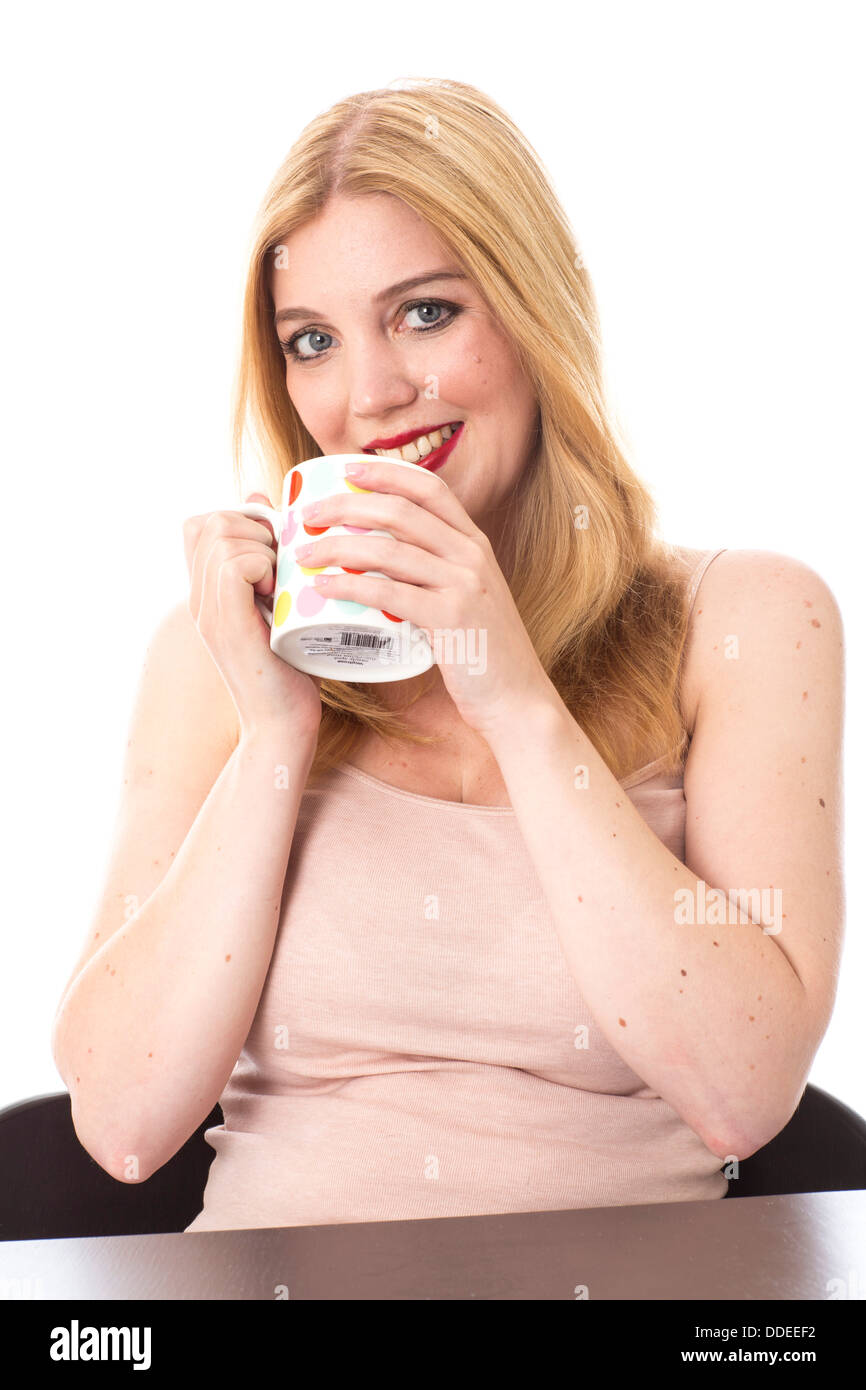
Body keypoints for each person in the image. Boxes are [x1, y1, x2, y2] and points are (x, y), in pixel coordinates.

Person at [51, 79, 844, 1231]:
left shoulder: (746, 620)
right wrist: (275, 728)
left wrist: (514, 698)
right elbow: (121, 1124)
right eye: (311, 341)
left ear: (533, 309)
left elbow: (740, 1096)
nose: (367, 396)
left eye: (423, 313)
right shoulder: (213, 651)